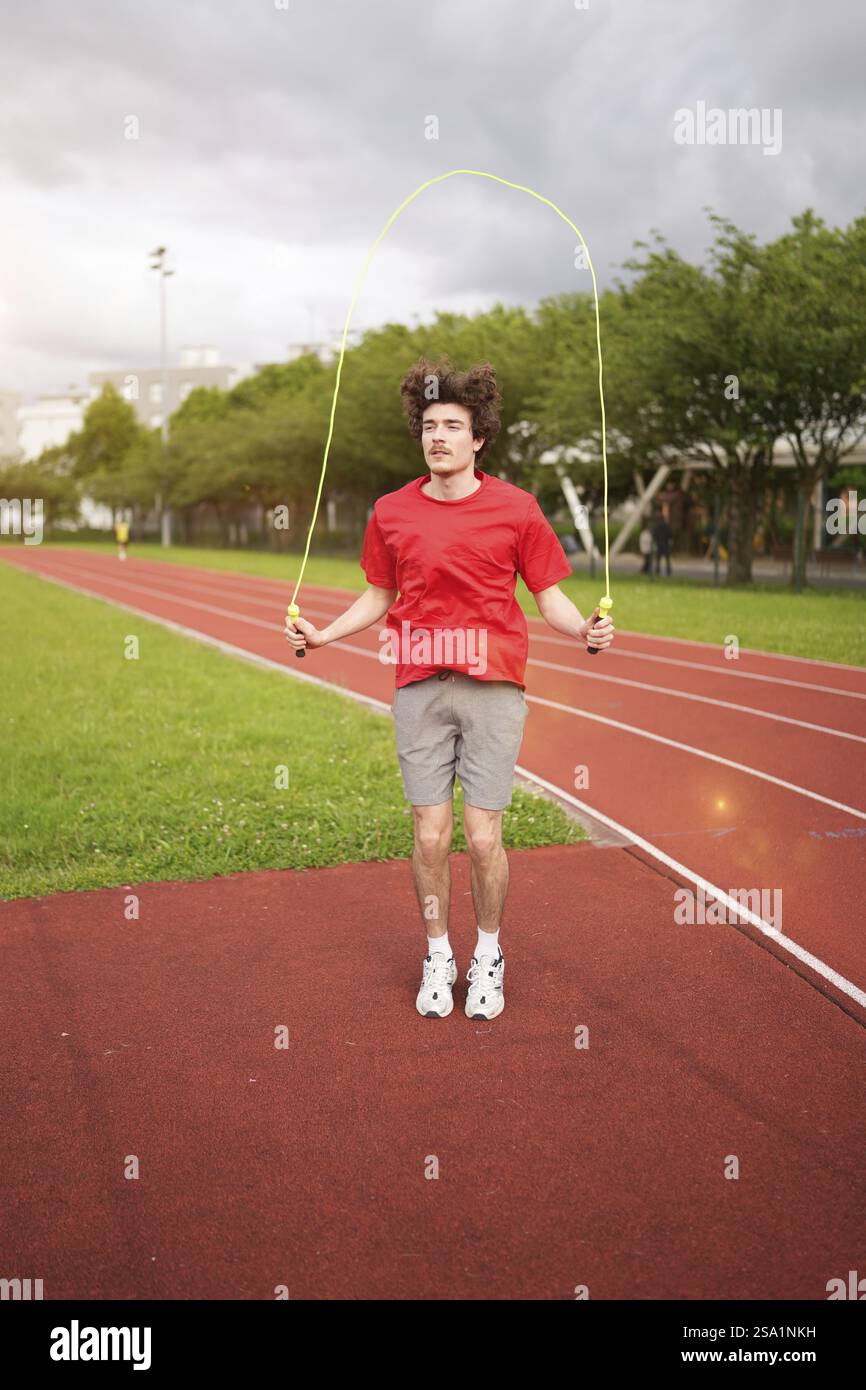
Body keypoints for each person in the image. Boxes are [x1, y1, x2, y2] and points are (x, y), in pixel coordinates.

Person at [284, 357, 615, 1021]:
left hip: (493, 690)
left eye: (453, 426)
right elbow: (378, 596)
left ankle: (487, 954)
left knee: (483, 838)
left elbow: (548, 597)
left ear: (478, 437)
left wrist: (585, 629)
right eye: (429, 425)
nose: (439, 436)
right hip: (419, 687)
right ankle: (438, 954)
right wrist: (323, 637)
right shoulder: (391, 512)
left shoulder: (517, 509)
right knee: (431, 837)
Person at [652, 512, 672, 577]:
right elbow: (670, 534)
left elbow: (654, 535)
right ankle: (668, 571)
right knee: (667, 559)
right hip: (666, 544)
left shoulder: (656, 526)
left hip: (659, 544)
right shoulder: (667, 525)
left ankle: (657, 571)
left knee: (658, 559)